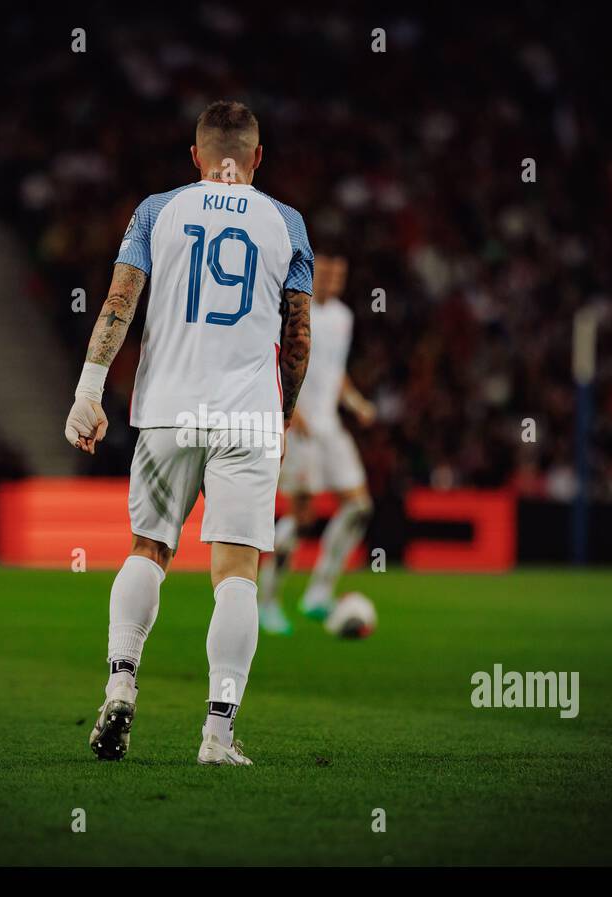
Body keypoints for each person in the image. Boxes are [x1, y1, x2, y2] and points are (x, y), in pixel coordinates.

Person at [64, 101, 313, 765]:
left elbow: (119, 301)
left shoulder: (156, 211)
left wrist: (89, 392)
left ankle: (120, 684)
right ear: (257, 158)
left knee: (147, 549)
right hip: (248, 414)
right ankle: (217, 735)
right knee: (236, 574)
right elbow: (297, 338)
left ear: (195, 157)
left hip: (167, 409)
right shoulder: (286, 223)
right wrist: (282, 418)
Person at [258, 251, 375, 635]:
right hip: (299, 426)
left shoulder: (344, 317)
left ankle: (319, 592)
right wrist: (291, 409)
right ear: (312, 272)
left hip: (329, 426)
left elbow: (334, 372)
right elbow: (275, 361)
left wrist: (356, 404)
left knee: (358, 506)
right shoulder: (292, 310)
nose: (331, 280)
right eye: (325, 272)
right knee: (301, 517)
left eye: (338, 273)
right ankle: (267, 601)